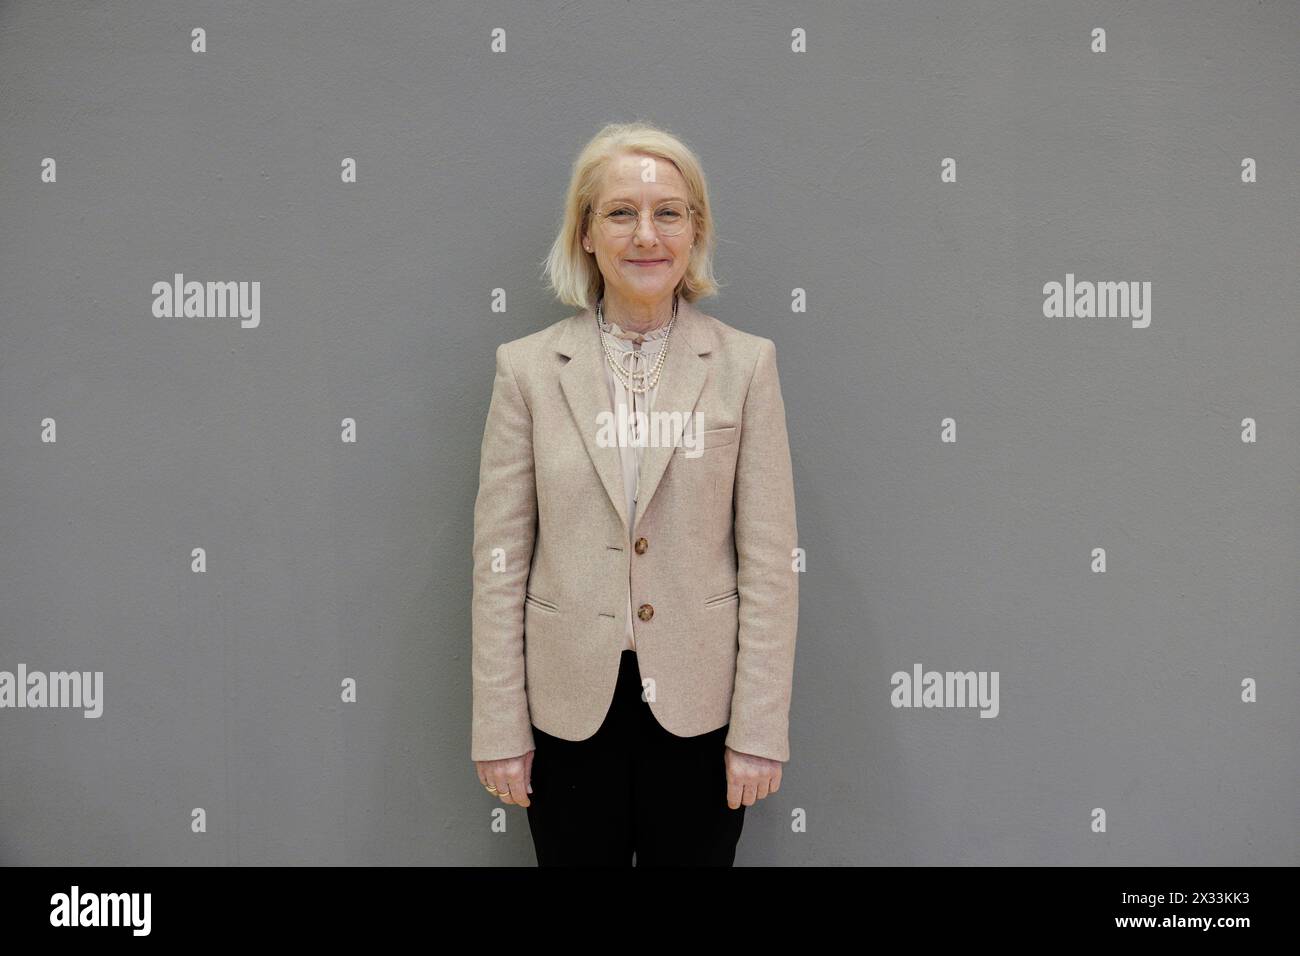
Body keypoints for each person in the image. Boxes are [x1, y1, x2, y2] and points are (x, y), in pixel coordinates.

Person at [471, 121, 798, 866]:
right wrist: (499, 727)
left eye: (667, 212)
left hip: (701, 712)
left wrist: (758, 730)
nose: (645, 235)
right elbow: (499, 563)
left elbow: (773, 565)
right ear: (586, 233)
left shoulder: (745, 366)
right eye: (620, 213)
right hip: (566, 712)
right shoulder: (527, 370)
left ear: (694, 230)